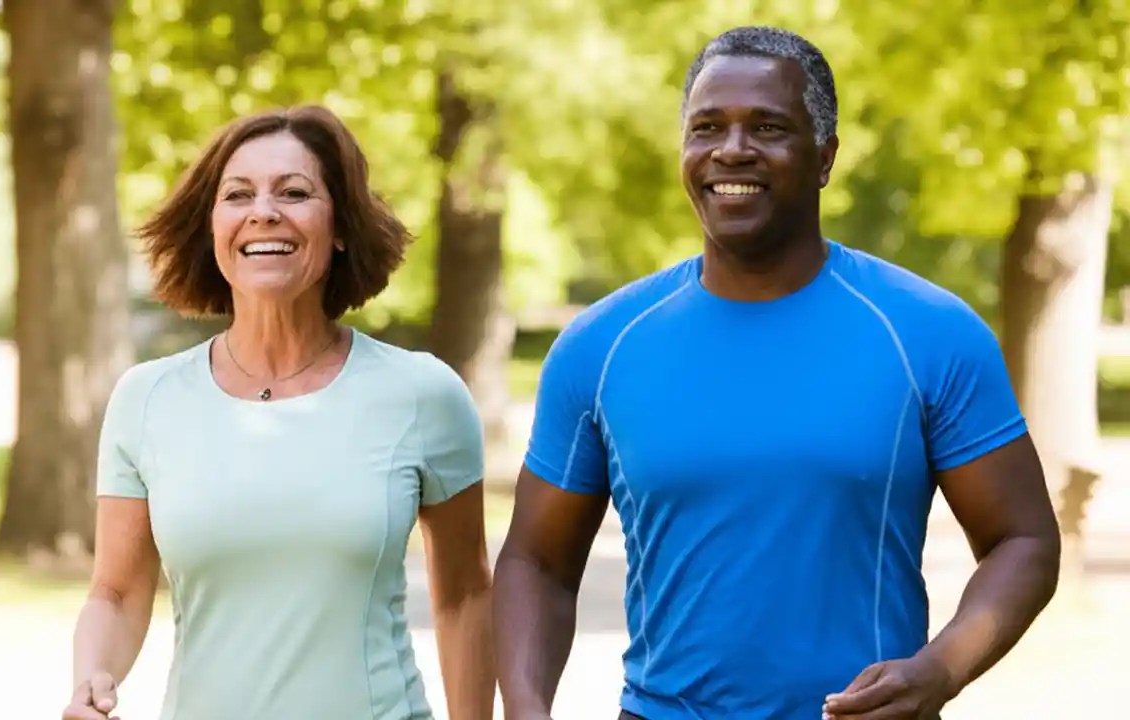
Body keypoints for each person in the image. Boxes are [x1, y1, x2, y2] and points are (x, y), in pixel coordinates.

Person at [493, 25, 1061, 720]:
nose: (732, 150)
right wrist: (526, 710)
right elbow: (535, 562)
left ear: (824, 157)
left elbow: (1023, 540)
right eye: (707, 127)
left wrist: (939, 670)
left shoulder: (929, 333)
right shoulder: (601, 345)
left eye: (768, 127)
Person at [62, 106, 495, 720]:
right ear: (214, 228)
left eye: (294, 192)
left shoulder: (422, 394)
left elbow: (466, 596)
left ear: (340, 225)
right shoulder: (147, 400)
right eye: (238, 195)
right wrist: (93, 675)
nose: (263, 211)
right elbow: (116, 591)